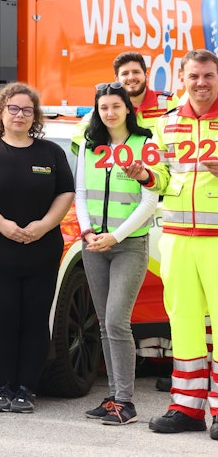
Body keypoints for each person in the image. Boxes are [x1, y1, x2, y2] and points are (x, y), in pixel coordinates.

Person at [0, 82, 74, 414]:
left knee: (35, 320)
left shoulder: (51, 153)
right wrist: (4, 225)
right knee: (1, 320)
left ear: (35, 116)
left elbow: (65, 194)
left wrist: (43, 225)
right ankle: (2, 387)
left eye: (27, 110)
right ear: (1, 112)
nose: (20, 115)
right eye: (13, 108)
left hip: (41, 251)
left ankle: (26, 389)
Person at [126, 49, 218, 438]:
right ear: (182, 79)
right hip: (178, 240)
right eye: (194, 76)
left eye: (208, 76)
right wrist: (145, 174)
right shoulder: (166, 125)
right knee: (182, 326)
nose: (201, 83)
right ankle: (187, 407)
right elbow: (163, 177)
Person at [76, 82, 156, 426]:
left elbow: (150, 200)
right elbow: (79, 192)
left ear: (128, 108)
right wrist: (88, 232)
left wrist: (116, 235)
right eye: (103, 107)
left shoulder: (145, 143)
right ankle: (113, 397)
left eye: (115, 106)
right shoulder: (90, 146)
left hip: (129, 244)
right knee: (105, 325)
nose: (109, 113)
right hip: (93, 244)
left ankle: (126, 401)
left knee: (115, 321)